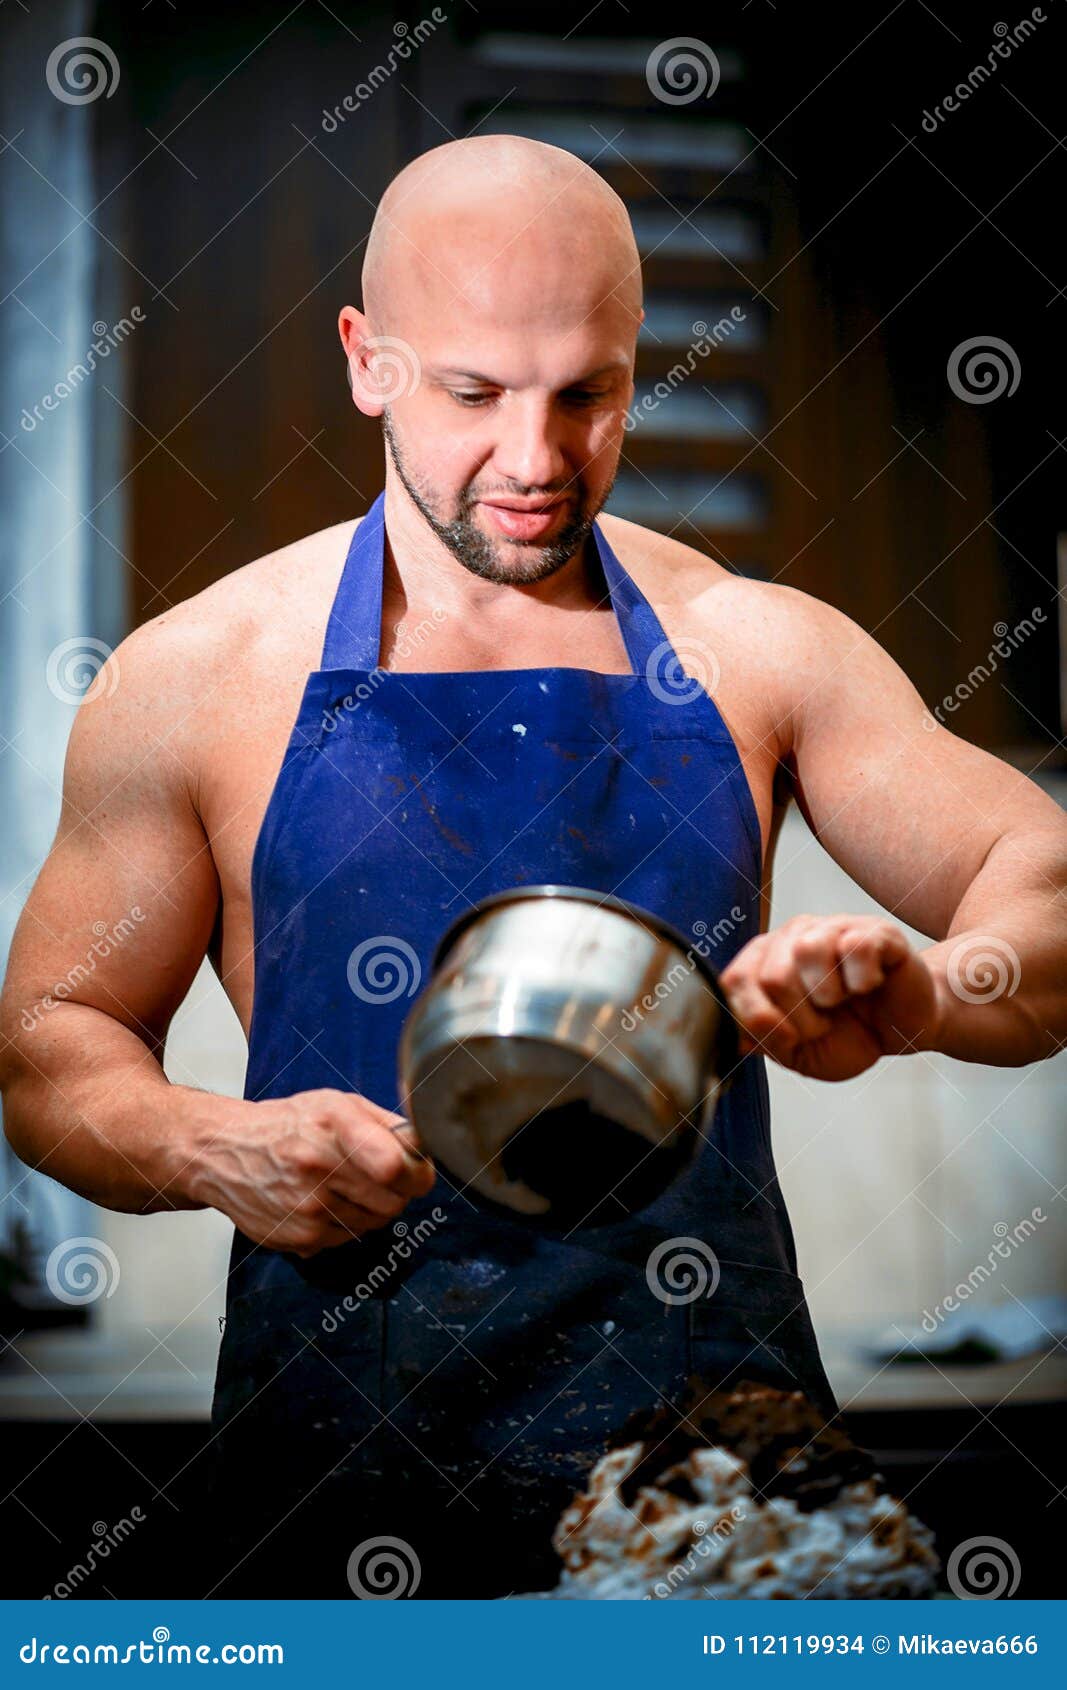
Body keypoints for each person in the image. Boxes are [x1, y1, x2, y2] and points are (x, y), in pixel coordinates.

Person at [1, 135, 1064, 1600]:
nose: (535, 458)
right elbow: (46, 1050)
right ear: (370, 361)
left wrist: (933, 991)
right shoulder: (196, 676)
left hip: (716, 1502)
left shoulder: (754, 645)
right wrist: (203, 1142)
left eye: (590, 393)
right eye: (474, 393)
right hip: (328, 1489)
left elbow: (1042, 875)